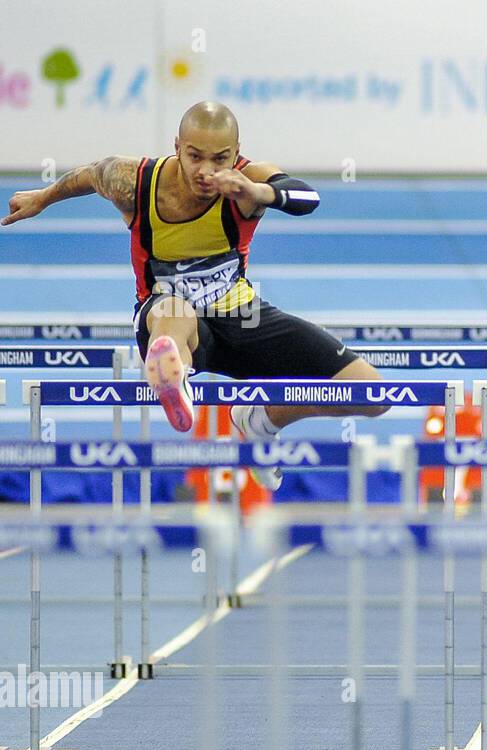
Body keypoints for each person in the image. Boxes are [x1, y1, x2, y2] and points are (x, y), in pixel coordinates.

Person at [2, 101, 388, 489]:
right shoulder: (134, 181)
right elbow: (88, 175)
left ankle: (261, 420)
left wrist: (255, 191)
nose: (206, 170)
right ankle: (174, 372)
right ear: (177, 147)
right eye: (195, 156)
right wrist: (43, 197)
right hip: (165, 316)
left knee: (372, 393)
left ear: (236, 153)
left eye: (220, 159)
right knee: (176, 311)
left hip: (242, 315)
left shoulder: (248, 181)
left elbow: (307, 199)